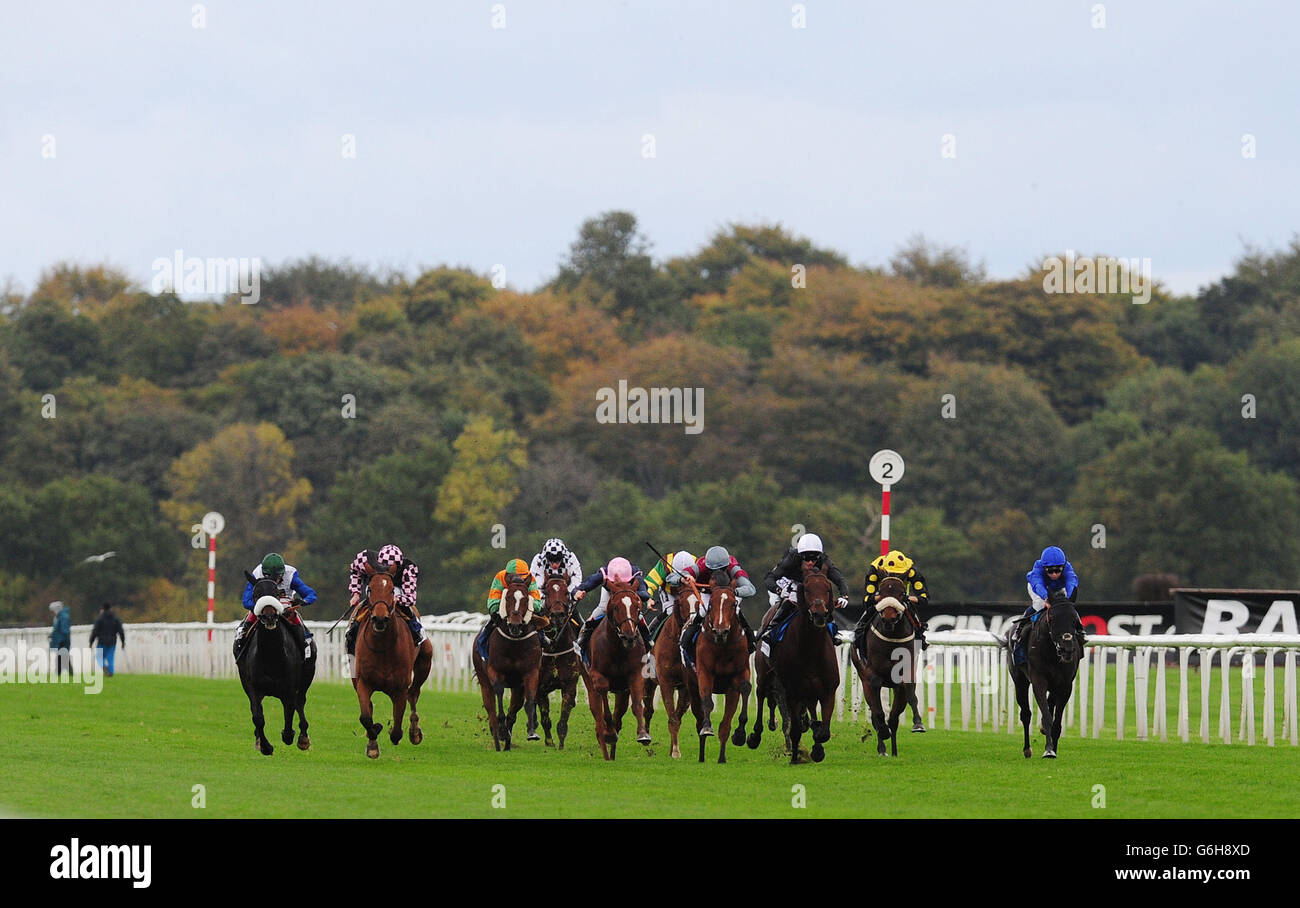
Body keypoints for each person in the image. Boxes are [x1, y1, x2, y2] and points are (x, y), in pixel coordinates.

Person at [344, 545, 426, 670]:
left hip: (396, 591)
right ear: (379, 562)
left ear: (399, 565)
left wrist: (396, 599)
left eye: (392, 568)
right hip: (375, 586)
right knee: (371, 600)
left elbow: (410, 598)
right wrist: (355, 593)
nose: (387, 570)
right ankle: (352, 633)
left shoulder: (408, 568)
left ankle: (418, 633)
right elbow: (355, 571)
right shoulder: (365, 558)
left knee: (399, 601)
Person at [759, 533, 850, 642]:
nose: (811, 562)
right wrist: (778, 590)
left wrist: (844, 596)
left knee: (822, 600)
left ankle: (832, 631)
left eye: (814, 558)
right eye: (807, 558)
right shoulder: (791, 559)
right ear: (800, 556)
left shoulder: (824, 561)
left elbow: (840, 579)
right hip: (785, 581)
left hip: (807, 583)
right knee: (789, 599)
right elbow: (769, 578)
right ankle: (771, 629)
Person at [679, 545, 758, 659]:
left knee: (736, 611)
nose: (717, 573)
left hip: (728, 594)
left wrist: (731, 592)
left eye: (722, 569)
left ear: (727, 566)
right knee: (703, 611)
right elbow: (673, 576)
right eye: (712, 571)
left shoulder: (733, 567)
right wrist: (684, 577)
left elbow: (750, 589)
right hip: (708, 593)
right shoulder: (700, 565)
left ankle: (751, 641)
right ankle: (686, 640)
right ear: (707, 566)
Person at [234, 553, 317, 659]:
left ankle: (306, 646)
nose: (274, 580)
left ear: (283, 573)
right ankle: (240, 643)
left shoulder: (290, 575)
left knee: (301, 628)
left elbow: (311, 594)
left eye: (277, 577)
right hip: (262, 607)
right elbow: (246, 601)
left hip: (286, 608)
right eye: (267, 576)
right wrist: (262, 606)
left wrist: (303, 601)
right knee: (247, 623)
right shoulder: (257, 574)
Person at [1011, 545, 1083, 664]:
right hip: (1039, 589)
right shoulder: (1037, 568)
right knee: (1039, 604)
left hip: (1059, 589)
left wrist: (1069, 600)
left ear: (1063, 567)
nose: (1054, 574)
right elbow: (1037, 585)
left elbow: (1072, 582)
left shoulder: (1068, 568)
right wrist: (1046, 598)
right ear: (1044, 568)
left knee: (1067, 608)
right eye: (1050, 570)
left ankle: (1080, 629)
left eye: (1058, 570)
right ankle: (1020, 628)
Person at [572, 557, 651, 664]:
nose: (620, 585)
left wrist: (632, 595)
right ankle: (581, 644)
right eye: (615, 582)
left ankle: (649, 646)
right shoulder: (603, 574)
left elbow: (645, 593)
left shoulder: (635, 574)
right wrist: (577, 592)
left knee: (640, 619)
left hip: (629, 597)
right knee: (593, 617)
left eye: (624, 582)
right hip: (609, 596)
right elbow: (586, 584)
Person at [855, 549, 930, 652]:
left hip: (902, 600)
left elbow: (924, 599)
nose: (894, 577)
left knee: (913, 615)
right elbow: (867, 599)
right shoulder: (875, 569)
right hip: (881, 600)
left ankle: (920, 637)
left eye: (898, 574)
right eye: (891, 574)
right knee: (867, 614)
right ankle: (858, 637)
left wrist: (906, 598)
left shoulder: (911, 571)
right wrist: (883, 597)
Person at [474, 557, 542, 658]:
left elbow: (537, 605)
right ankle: (483, 653)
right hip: (503, 612)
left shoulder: (530, 578)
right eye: (516, 577)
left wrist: (524, 604)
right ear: (507, 576)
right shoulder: (500, 577)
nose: (519, 580)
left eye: (523, 578)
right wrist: (507, 606)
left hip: (524, 611)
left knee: (542, 631)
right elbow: (492, 604)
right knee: (485, 633)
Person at [643, 549, 695, 641]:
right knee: (671, 612)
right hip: (669, 591)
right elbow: (649, 583)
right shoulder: (664, 565)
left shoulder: (696, 563)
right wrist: (648, 599)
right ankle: (652, 634)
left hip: (688, 592)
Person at [88, 602, 125, 677]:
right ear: (111, 609)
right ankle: (110, 672)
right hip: (112, 642)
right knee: (110, 658)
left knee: (99, 657)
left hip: (101, 641)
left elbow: (94, 631)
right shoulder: (115, 619)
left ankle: (104, 667)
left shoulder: (99, 619)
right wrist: (123, 641)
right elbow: (121, 631)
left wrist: (91, 642)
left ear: (102, 609)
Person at [48, 601, 71, 677]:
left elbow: (64, 630)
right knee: (62, 657)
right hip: (60, 640)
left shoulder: (63, 617)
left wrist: (59, 639)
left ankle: (59, 673)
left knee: (61, 657)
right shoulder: (59, 617)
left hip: (62, 641)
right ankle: (65, 672)